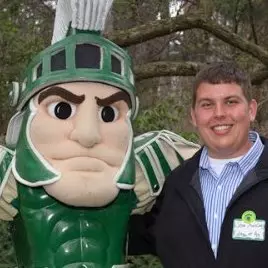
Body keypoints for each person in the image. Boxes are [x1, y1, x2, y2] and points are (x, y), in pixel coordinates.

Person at [0, 0, 199, 267]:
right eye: (62, 109)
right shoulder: (8, 179)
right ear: (23, 120)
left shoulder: (155, 163)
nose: (88, 134)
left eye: (108, 114)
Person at [129, 62, 268, 268]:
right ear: (194, 116)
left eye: (230, 102)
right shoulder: (176, 184)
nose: (219, 113)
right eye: (207, 104)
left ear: (251, 110)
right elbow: (129, 238)